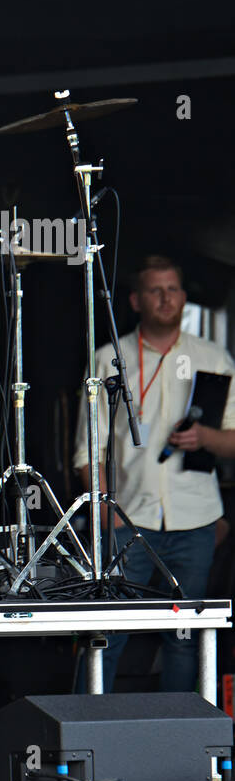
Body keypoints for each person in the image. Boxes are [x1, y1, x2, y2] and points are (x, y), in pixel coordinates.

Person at [74, 254, 235, 692]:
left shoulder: (213, 357)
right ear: (136, 300)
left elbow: (233, 440)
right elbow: (90, 449)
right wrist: (106, 513)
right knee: (106, 635)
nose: (167, 298)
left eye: (174, 289)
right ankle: (87, 734)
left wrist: (204, 437)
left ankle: (179, 740)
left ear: (184, 298)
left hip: (194, 521)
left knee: (184, 640)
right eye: (155, 290)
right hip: (129, 521)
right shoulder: (109, 358)